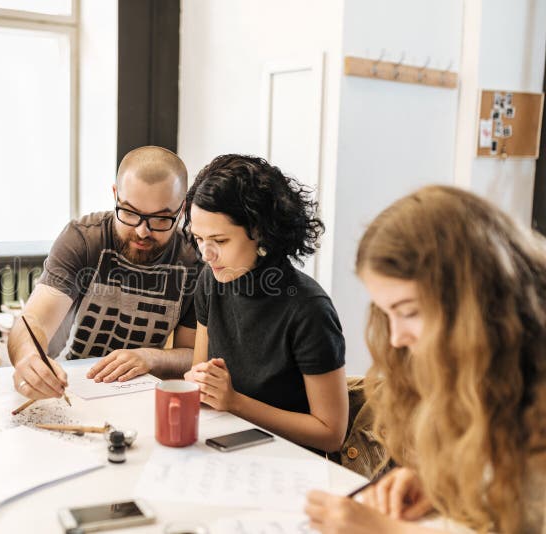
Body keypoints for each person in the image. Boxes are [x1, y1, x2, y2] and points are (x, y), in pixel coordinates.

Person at [305, 186, 546, 533]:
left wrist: (390, 530)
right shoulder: (482, 371)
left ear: (473, 303)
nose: (396, 337)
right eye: (387, 314)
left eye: (409, 312)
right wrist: (441, 490)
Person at [182, 154, 348, 453]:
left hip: (290, 463)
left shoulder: (309, 309)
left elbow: (331, 433)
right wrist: (200, 384)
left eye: (219, 241)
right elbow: (201, 374)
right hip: (227, 446)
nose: (205, 254)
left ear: (260, 231)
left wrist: (235, 402)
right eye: (198, 238)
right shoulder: (211, 280)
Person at [9, 146, 201, 401]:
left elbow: (192, 354)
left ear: (182, 208)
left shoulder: (195, 258)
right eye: (130, 213)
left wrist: (150, 357)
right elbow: (33, 321)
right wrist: (28, 356)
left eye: (160, 219)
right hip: (69, 387)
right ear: (115, 194)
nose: (143, 231)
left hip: (140, 394)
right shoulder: (83, 239)